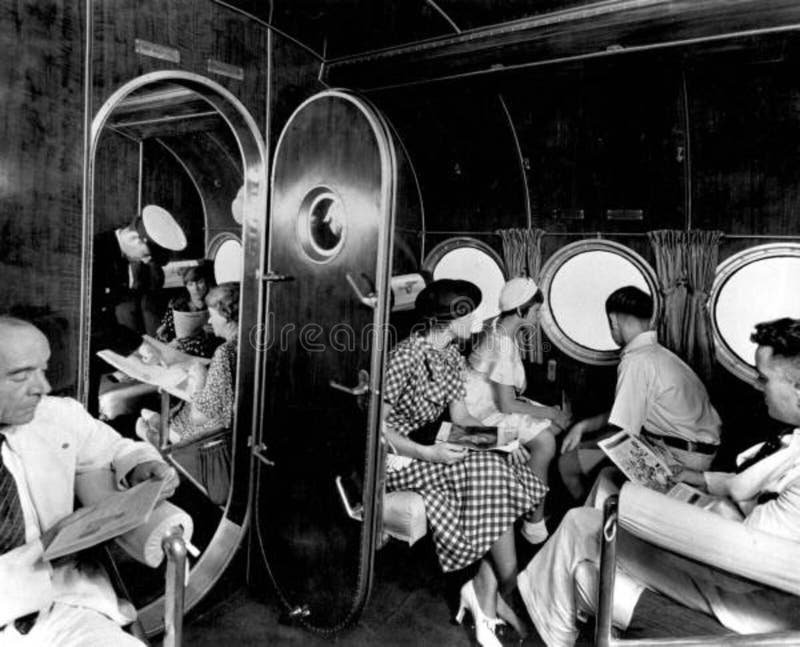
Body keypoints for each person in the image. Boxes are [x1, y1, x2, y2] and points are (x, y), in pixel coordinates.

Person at [516, 317, 800, 646]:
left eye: (764, 379)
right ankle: (555, 620)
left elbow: (743, 567)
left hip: (741, 598)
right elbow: (752, 485)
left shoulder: (638, 362)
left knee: (582, 524)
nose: (757, 386)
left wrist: (643, 513)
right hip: (727, 534)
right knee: (598, 506)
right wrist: (700, 481)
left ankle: (543, 632)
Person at [382, 279, 546, 647]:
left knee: (502, 465)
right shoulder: (405, 356)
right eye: (468, 313)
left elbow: (462, 417)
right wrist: (427, 453)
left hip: (437, 441)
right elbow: (378, 426)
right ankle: (498, 592)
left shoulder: (452, 355)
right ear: (448, 318)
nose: (475, 320)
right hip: (401, 455)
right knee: (490, 473)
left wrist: (503, 441)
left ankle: (490, 590)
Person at [0, 316, 179, 646]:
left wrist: (139, 464)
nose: (43, 387)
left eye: (43, 369)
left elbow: (116, 449)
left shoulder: (54, 415)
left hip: (62, 605)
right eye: (21, 375)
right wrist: (44, 549)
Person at [558, 285, 721, 501]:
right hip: (696, 451)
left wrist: (586, 443)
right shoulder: (659, 355)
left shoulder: (636, 361)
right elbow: (626, 412)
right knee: (591, 458)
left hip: (677, 456)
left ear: (613, 321)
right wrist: (583, 427)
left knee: (567, 464)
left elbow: (622, 435)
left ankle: (592, 516)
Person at [464, 277, 571, 545]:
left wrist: (550, 414)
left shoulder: (498, 328)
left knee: (553, 425)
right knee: (546, 441)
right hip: (477, 416)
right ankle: (533, 523)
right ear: (522, 311)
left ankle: (527, 502)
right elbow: (506, 405)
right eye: (536, 310)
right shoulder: (501, 344)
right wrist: (551, 413)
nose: (539, 316)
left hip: (488, 404)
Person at [90, 206, 187, 413]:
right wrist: (138, 345)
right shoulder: (94, 253)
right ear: (135, 237)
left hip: (94, 350)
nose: (145, 261)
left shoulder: (116, 254)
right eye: (146, 255)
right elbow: (93, 319)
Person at [138, 283, 238, 444]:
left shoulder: (224, 352)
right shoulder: (247, 342)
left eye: (213, 315)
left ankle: (164, 439)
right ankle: (164, 428)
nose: (210, 320)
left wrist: (200, 379)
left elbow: (200, 417)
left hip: (216, 432)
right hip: (234, 418)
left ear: (226, 316)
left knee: (143, 425)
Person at [155, 261, 219, 358]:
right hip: (176, 343)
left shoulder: (214, 304)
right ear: (186, 286)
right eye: (190, 284)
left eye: (200, 282)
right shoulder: (178, 303)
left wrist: (211, 330)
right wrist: (164, 328)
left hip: (201, 345)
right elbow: (167, 325)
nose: (195, 288)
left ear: (206, 283)